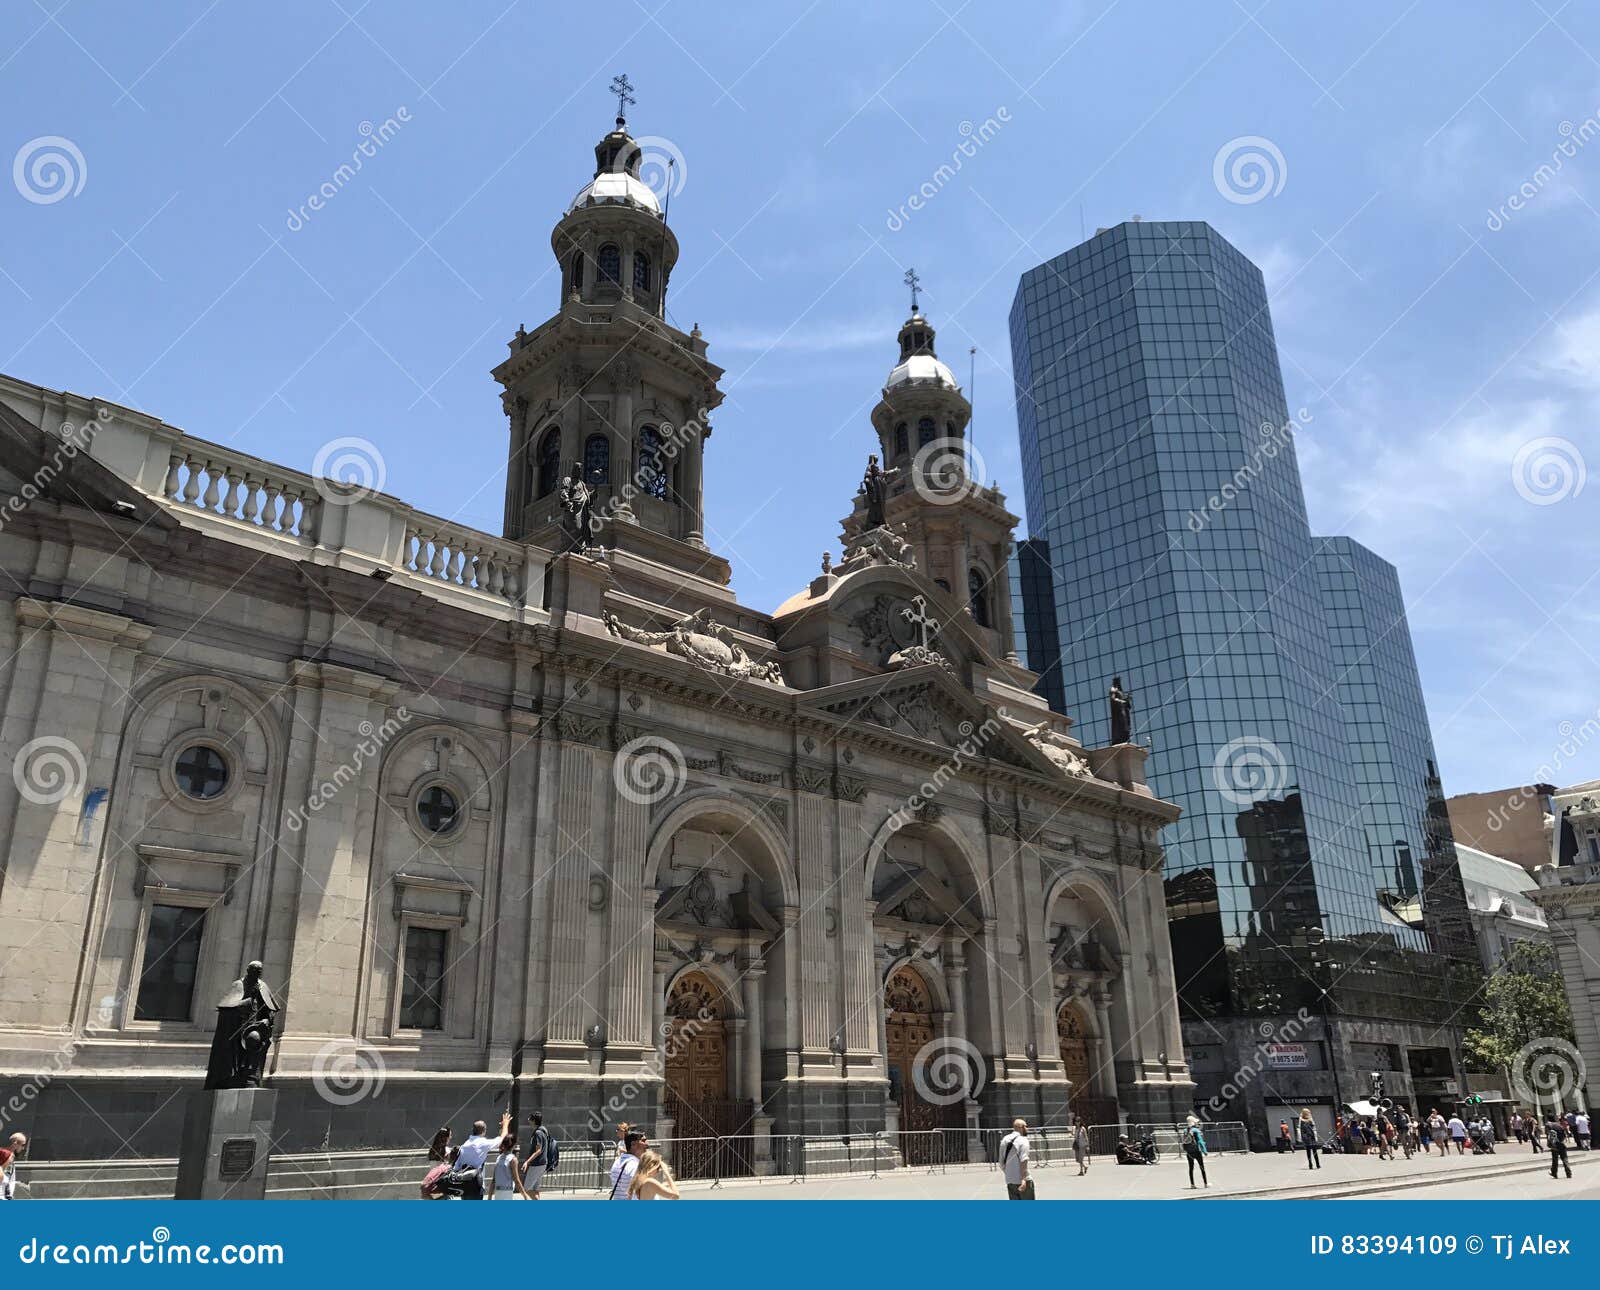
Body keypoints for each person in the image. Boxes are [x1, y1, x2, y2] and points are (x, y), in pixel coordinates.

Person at [455, 1113, 508, 1199]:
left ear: (472, 1130)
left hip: (464, 1185)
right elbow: (502, 1138)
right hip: (476, 1185)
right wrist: (505, 1124)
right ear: (484, 1130)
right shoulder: (483, 1143)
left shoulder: (464, 1145)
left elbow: (456, 1166)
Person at [999, 1119, 1033, 1198]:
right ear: (1021, 1127)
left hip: (1010, 1181)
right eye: (1026, 1126)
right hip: (1023, 1181)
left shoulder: (1004, 1139)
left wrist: (1009, 1173)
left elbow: (1001, 1163)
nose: (1027, 1129)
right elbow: (1023, 1161)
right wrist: (1023, 1179)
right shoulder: (1023, 1140)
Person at [609, 1129, 646, 1199]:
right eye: (643, 1141)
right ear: (633, 1144)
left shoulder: (617, 1161)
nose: (647, 1145)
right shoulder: (634, 1165)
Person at [490, 1134, 529, 1199]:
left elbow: (494, 1180)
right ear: (513, 1145)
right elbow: (516, 1180)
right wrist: (525, 1195)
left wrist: (489, 1196)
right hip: (507, 1192)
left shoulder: (499, 1158)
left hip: (497, 1191)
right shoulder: (513, 1159)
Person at [522, 1112, 549, 1198]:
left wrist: (527, 1162)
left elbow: (538, 1150)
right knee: (535, 1189)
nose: (528, 1120)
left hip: (537, 1164)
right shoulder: (543, 1131)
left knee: (526, 1188)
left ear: (533, 1121)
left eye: (530, 1118)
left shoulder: (538, 1133)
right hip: (542, 1164)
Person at [1181, 1115, 1208, 1189]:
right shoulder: (1196, 1130)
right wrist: (1204, 1151)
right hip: (1196, 1151)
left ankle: (1192, 1184)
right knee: (1201, 1167)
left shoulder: (1185, 1130)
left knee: (1191, 1168)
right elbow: (1200, 1141)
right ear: (1193, 1123)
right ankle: (1205, 1183)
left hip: (1189, 1152)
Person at [1546, 1113, 1573, 1180]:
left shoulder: (1548, 1125)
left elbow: (1548, 1135)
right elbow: (1564, 1135)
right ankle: (1568, 1172)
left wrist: (1550, 1143)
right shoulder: (1559, 1125)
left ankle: (1554, 1173)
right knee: (1564, 1158)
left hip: (1554, 1145)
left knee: (1555, 1160)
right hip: (1561, 1143)